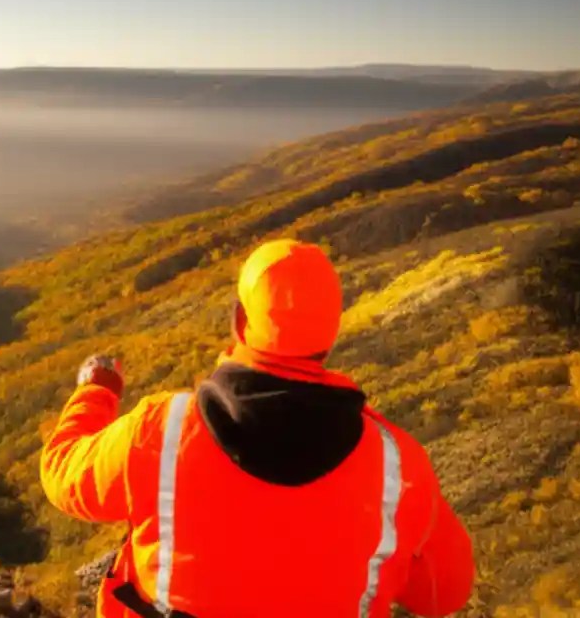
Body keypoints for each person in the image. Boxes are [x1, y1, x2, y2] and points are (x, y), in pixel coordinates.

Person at [40, 239, 475, 617]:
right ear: (330, 334)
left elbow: (62, 475)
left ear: (240, 320)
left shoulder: (162, 429)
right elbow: (445, 593)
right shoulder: (399, 465)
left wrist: (97, 390)